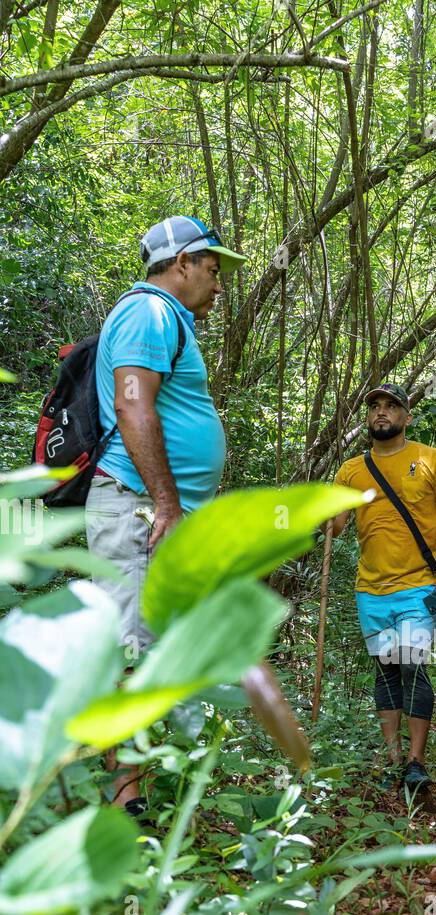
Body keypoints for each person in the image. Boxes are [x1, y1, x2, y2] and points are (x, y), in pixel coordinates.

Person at [87, 216, 247, 812]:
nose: (218, 280)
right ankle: (126, 805)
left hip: (157, 517)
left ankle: (147, 792)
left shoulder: (170, 321)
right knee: (130, 650)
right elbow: (132, 407)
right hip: (137, 511)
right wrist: (166, 501)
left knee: (157, 653)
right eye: (212, 265)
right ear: (182, 262)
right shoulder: (147, 312)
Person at [331, 384, 436, 793]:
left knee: (412, 662)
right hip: (370, 589)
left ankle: (416, 761)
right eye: (374, 407)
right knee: (386, 669)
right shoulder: (351, 470)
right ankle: (392, 758)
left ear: (407, 417)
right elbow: (335, 524)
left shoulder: (430, 459)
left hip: (418, 585)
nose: (381, 413)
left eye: (391, 406)